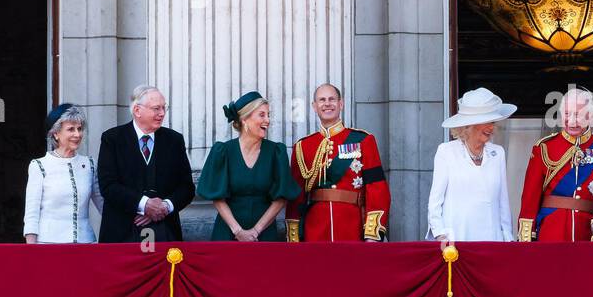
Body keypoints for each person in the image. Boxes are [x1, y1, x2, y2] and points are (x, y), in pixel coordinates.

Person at [287, 83, 392, 242]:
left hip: (352, 225)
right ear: (314, 106)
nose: (327, 103)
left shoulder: (363, 140)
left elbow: (377, 188)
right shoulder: (302, 146)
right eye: (322, 100)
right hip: (315, 228)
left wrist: (372, 234)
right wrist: (294, 235)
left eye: (332, 99)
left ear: (341, 104)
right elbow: (296, 197)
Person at [518, 88, 593, 242]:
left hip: (590, 237)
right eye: (567, 114)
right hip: (551, 235)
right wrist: (526, 243)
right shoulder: (544, 148)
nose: (572, 121)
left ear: (590, 117)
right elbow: (529, 202)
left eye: (578, 115)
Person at [196, 92, 300, 241]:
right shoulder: (223, 151)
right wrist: (238, 231)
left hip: (264, 234)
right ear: (245, 119)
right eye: (262, 115)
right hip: (228, 232)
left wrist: (256, 231)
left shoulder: (276, 152)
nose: (268, 120)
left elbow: (281, 198)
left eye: (268, 115)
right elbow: (218, 198)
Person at [97, 85, 195, 243]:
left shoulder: (174, 140)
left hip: (165, 232)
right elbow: (108, 186)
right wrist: (144, 205)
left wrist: (164, 207)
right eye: (156, 108)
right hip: (122, 233)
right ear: (137, 110)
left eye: (164, 108)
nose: (162, 113)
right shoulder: (112, 139)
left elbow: (187, 187)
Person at [427, 87, 517, 242]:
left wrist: (507, 237)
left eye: (493, 122)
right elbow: (435, 202)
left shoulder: (498, 153)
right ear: (469, 125)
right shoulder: (446, 152)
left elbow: (503, 202)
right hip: (457, 241)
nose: (492, 127)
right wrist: (440, 235)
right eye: (487, 122)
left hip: (492, 242)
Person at [23, 103, 104, 244]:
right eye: (71, 129)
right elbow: (32, 214)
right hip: (49, 245)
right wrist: (31, 251)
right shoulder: (40, 166)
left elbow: (104, 205)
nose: (77, 134)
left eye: (79, 129)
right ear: (56, 133)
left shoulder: (90, 164)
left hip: (86, 244)